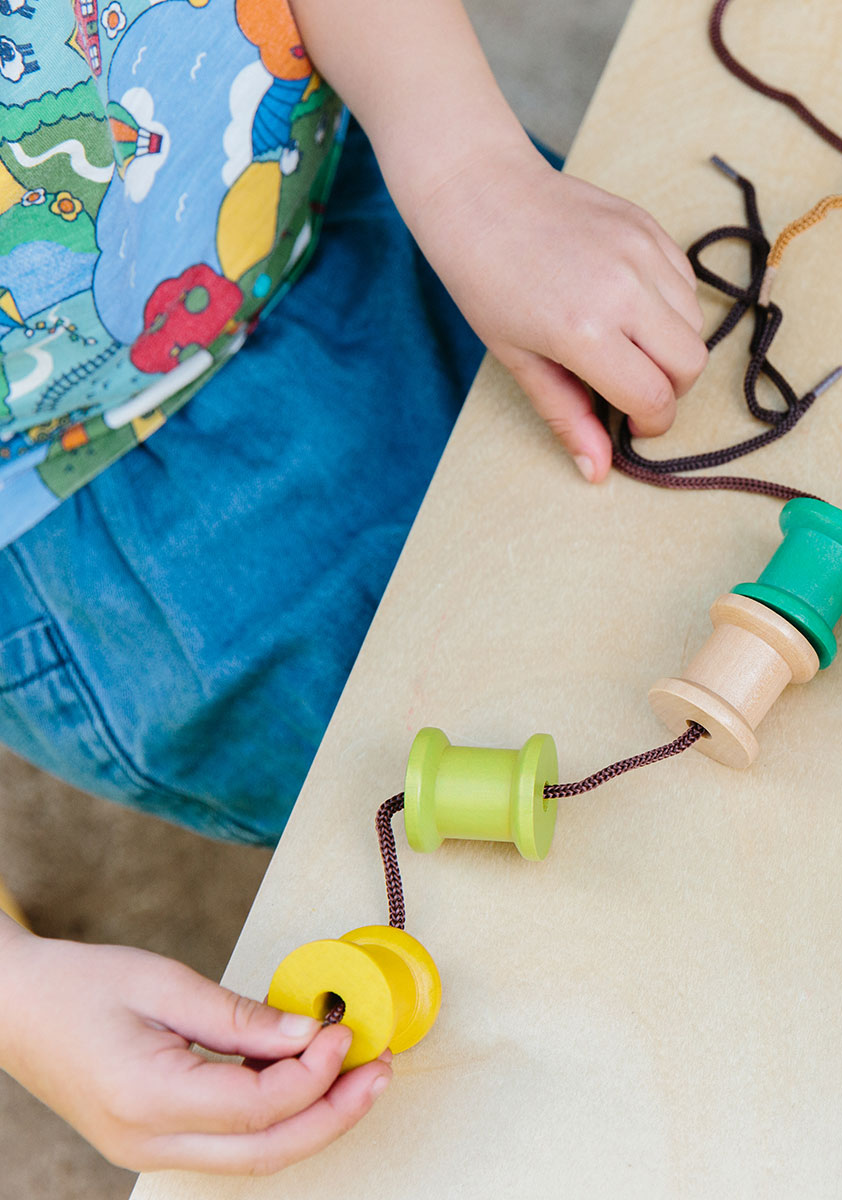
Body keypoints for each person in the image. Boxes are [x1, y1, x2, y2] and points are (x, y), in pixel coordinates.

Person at [0, 0, 705, 1175]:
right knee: (558, 860)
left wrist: (470, 165)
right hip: (119, 526)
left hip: (341, 172)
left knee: (650, 558)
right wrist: (14, 995)